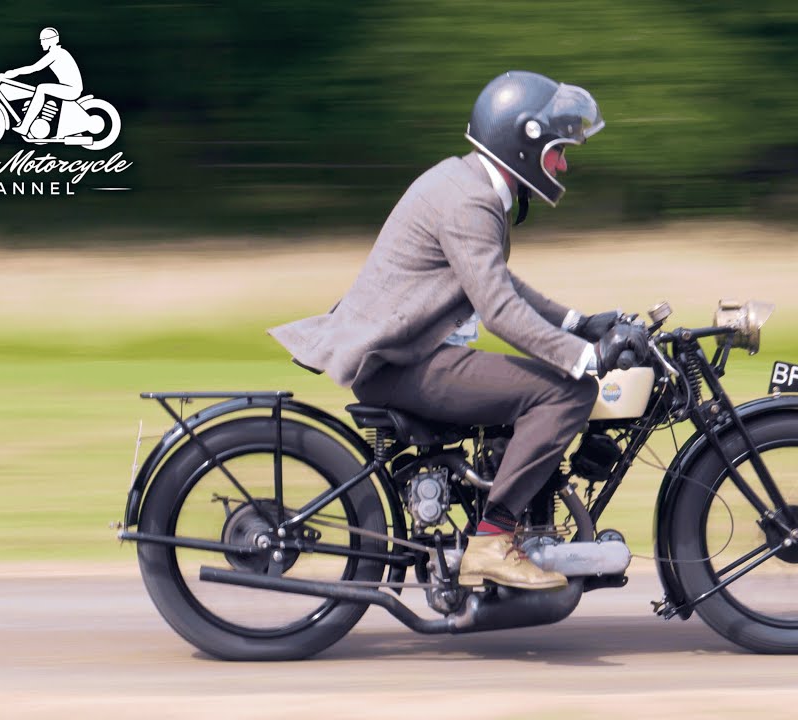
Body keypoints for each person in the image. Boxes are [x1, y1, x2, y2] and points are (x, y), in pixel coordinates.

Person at [269, 71, 646, 591]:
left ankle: (505, 517)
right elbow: (498, 309)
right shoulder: (472, 202)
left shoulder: (465, 183)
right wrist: (587, 358)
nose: (564, 163)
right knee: (567, 391)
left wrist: (577, 323)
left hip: (410, 354)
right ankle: (493, 541)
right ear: (523, 144)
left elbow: (494, 279)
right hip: (405, 362)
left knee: (548, 380)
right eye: (559, 150)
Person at [2, 27, 83, 136]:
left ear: (51, 40)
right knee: (40, 89)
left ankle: (25, 127)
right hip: (68, 87)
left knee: (41, 88)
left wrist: (11, 73)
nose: (41, 43)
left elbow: (34, 68)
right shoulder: (58, 52)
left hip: (71, 89)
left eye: (43, 40)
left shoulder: (56, 53)